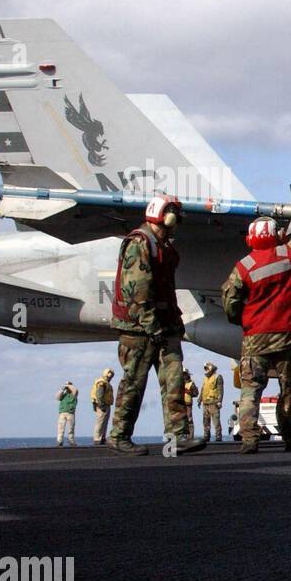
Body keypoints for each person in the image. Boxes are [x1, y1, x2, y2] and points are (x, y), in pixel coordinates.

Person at [222, 176, 291, 454]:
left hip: (255, 337)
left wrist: (241, 320)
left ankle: (249, 440)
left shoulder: (243, 267)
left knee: (250, 390)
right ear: (277, 235)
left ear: (251, 239)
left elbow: (230, 302)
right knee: (289, 390)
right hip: (287, 337)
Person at [108, 195, 204, 456]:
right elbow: (137, 292)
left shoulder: (162, 245)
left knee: (173, 380)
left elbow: (164, 289)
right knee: (134, 383)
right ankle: (119, 436)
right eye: (175, 216)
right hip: (138, 329)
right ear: (167, 217)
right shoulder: (139, 243)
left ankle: (178, 437)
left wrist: (173, 322)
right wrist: (153, 326)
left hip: (164, 326)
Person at [199, 362, 225, 442]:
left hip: (214, 402)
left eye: (207, 368)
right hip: (205, 403)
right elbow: (203, 389)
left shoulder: (218, 377)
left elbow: (220, 390)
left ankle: (218, 436)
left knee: (216, 421)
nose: (206, 369)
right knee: (205, 421)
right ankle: (206, 436)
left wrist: (219, 401)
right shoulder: (205, 378)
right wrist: (200, 399)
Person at [90, 368, 114, 445]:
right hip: (102, 405)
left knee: (104, 422)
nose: (110, 377)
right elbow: (99, 395)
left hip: (106, 405)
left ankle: (102, 437)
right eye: (109, 375)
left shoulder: (106, 383)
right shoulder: (102, 383)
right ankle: (97, 439)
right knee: (100, 422)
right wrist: (101, 405)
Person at [55, 382, 78, 447]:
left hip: (70, 413)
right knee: (60, 428)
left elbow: (75, 390)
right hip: (62, 413)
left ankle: (71, 440)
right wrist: (62, 389)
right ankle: (59, 441)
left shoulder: (73, 394)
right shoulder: (63, 394)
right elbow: (57, 397)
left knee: (71, 428)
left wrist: (68, 385)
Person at [182, 369, 199, 440]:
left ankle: (190, 436)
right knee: (182, 420)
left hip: (188, 404)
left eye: (185, 373)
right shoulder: (179, 383)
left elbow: (196, 394)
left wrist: (189, 392)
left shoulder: (191, 384)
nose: (184, 375)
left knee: (189, 420)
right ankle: (183, 436)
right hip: (181, 404)